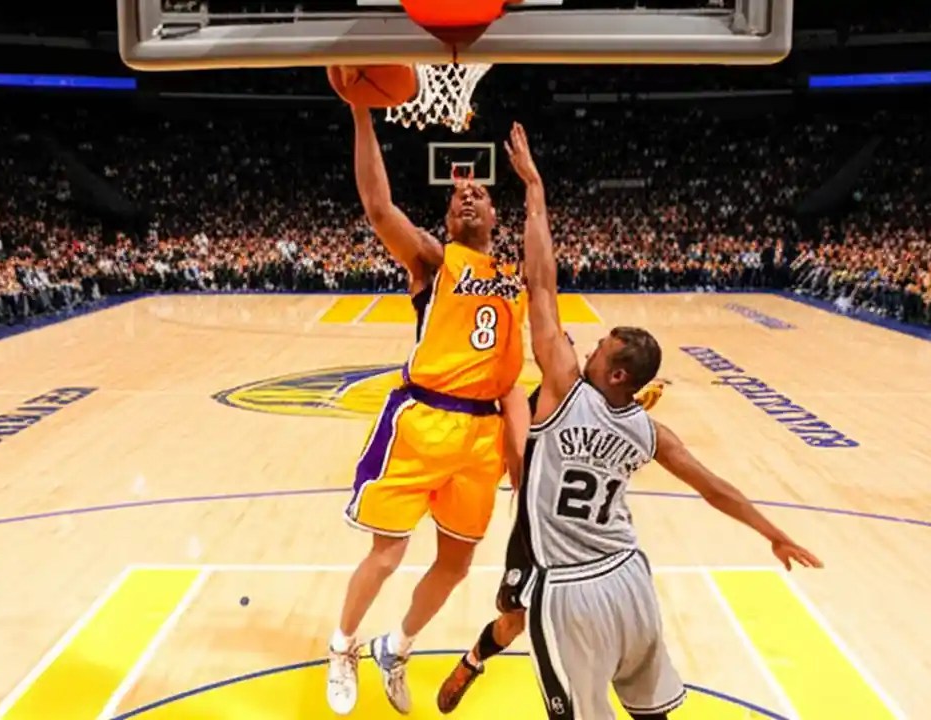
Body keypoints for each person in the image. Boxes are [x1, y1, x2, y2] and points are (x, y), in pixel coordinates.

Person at [436, 123, 824, 719]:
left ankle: (480, 657)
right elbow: (713, 487)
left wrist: (534, 188)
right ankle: (476, 658)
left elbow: (541, 282)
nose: (587, 345)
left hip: (568, 586)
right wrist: (770, 530)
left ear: (616, 375)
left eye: (599, 348)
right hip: (629, 572)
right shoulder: (648, 432)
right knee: (638, 701)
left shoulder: (564, 386)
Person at [326, 85, 533, 716]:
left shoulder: (516, 285)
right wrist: (362, 111)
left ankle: (399, 646)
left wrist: (521, 454)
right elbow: (376, 203)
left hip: (481, 440)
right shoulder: (434, 260)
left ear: (497, 217)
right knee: (388, 553)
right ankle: (343, 646)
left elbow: (518, 381)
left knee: (457, 565)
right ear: (446, 219)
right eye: (457, 193)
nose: (469, 194)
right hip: (421, 422)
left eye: (480, 193)